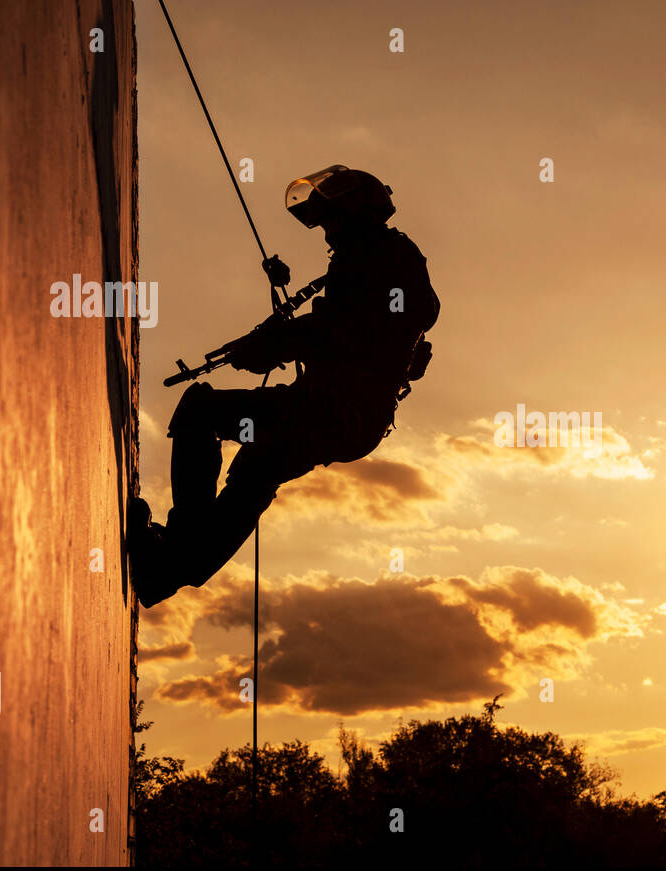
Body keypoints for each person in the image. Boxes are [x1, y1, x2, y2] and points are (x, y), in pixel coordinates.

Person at [128, 165, 439, 607]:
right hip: (333, 413)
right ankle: (174, 564)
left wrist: (273, 346)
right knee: (258, 465)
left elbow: (349, 330)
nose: (327, 233)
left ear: (355, 215)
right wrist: (275, 343)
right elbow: (370, 332)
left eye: (331, 220)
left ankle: (176, 559)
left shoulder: (381, 262)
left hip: (332, 413)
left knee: (202, 412)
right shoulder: (376, 260)